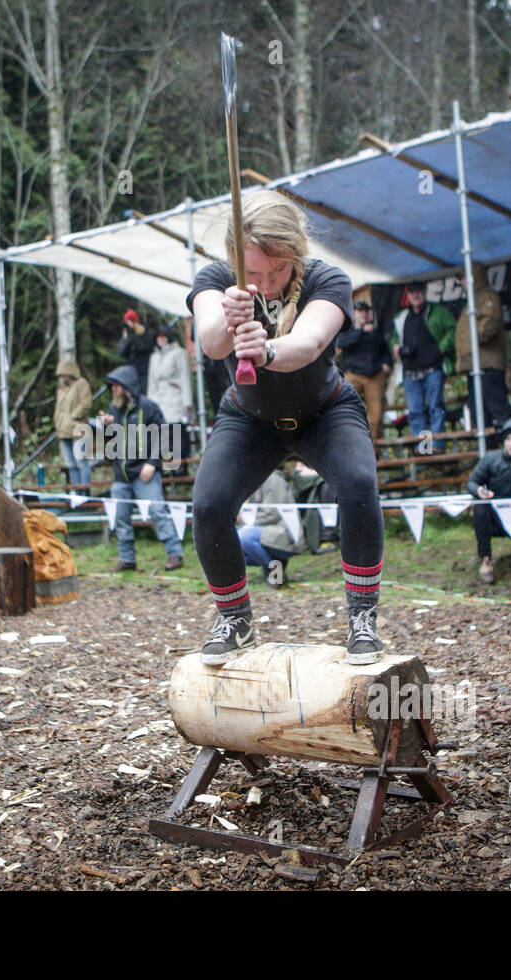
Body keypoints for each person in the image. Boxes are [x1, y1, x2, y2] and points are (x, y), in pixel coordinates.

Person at [188, 191, 383, 666]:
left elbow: (311, 341)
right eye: (254, 273)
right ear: (235, 260)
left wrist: (268, 351)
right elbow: (211, 343)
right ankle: (234, 620)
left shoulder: (327, 279)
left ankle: (362, 620)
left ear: (295, 254)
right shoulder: (216, 279)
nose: (268, 284)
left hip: (324, 411)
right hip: (249, 419)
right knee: (209, 505)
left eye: (277, 271)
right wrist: (229, 321)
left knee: (358, 485)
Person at [98, 365, 184, 573]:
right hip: (122, 475)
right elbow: (109, 448)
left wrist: (152, 464)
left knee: (157, 511)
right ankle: (127, 559)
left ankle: (175, 554)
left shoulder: (148, 407)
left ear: (127, 387)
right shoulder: (113, 410)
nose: (113, 390)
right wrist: (107, 428)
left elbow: (164, 437)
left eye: (116, 386)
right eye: (112, 387)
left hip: (145, 473)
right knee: (120, 517)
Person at [391, 281, 455, 450]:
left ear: (424, 292)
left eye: (418, 291)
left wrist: (441, 348)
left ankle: (438, 445)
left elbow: (451, 330)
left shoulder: (437, 312)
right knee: (415, 411)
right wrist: (396, 346)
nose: (416, 295)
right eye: (412, 292)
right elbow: (393, 337)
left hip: (432, 369)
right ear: (408, 296)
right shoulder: (402, 317)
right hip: (410, 372)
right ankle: (423, 448)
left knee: (436, 407)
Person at [466, 417, 511, 584]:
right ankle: (486, 560)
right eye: (508, 439)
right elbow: (472, 482)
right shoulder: (490, 459)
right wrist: (479, 490)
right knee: (480, 508)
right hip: (495, 511)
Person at [455, 262, 511, 431]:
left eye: (464, 277)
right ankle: (490, 451)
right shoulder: (473, 301)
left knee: (497, 408)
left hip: (487, 365)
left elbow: (492, 322)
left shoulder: (486, 297)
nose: (462, 282)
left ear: (474, 277)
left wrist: (477, 338)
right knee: (479, 414)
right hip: (476, 365)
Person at [238, 467, 305, 587]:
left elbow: (271, 513)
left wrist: (246, 522)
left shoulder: (273, 480)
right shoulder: (260, 479)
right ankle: (276, 566)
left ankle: (274, 570)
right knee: (233, 543)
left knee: (243, 537)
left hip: (285, 534)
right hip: (269, 531)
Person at [336, 300, 391, 442]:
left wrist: (387, 364)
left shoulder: (376, 332)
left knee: (375, 414)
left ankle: (370, 450)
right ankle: (345, 443)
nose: (364, 314)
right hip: (354, 374)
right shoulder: (347, 329)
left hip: (374, 375)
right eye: (360, 311)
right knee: (344, 406)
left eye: (366, 311)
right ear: (354, 313)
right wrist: (361, 331)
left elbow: (385, 350)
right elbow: (342, 343)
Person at [146, 323, 194, 473]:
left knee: (177, 431)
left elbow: (185, 377)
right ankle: (166, 467)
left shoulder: (179, 353)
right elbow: (151, 381)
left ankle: (181, 466)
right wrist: (150, 403)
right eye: (158, 337)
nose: (161, 339)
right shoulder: (154, 357)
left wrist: (187, 402)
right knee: (161, 433)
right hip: (159, 398)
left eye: (163, 336)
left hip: (175, 397)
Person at [54, 358, 93, 487]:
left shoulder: (81, 384)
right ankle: (77, 495)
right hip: (63, 431)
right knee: (70, 465)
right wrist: (58, 421)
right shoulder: (61, 389)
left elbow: (86, 403)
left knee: (81, 462)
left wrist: (73, 416)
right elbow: (58, 408)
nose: (62, 377)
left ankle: (85, 493)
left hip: (78, 430)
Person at [117, 308, 155, 391]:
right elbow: (121, 352)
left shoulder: (147, 333)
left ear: (135, 322)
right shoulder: (127, 336)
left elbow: (143, 347)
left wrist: (132, 335)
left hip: (145, 373)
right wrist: (126, 338)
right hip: (131, 373)